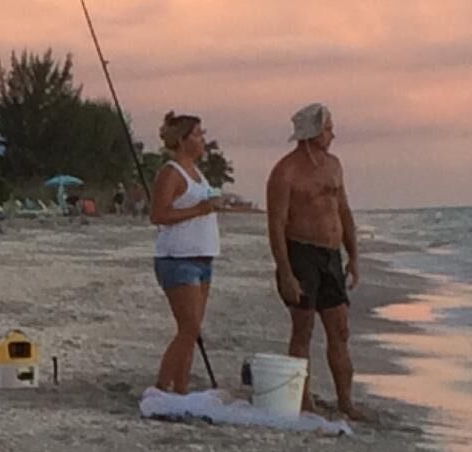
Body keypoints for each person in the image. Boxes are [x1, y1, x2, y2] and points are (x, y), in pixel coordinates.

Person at [265, 103, 360, 419]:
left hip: (331, 255)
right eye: (328, 129)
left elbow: (343, 211)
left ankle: (346, 400)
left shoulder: (334, 166)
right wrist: (285, 271)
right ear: (313, 133)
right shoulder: (285, 172)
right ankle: (302, 400)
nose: (333, 135)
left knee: (340, 329)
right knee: (303, 330)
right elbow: (276, 225)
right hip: (301, 254)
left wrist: (353, 256)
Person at [147, 111, 251, 395]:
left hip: (203, 258)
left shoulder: (197, 173)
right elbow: (158, 214)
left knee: (191, 330)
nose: (203, 139)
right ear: (182, 140)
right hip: (178, 259)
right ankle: (160, 388)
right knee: (189, 328)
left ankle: (181, 389)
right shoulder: (171, 172)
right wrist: (201, 209)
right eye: (197, 134)